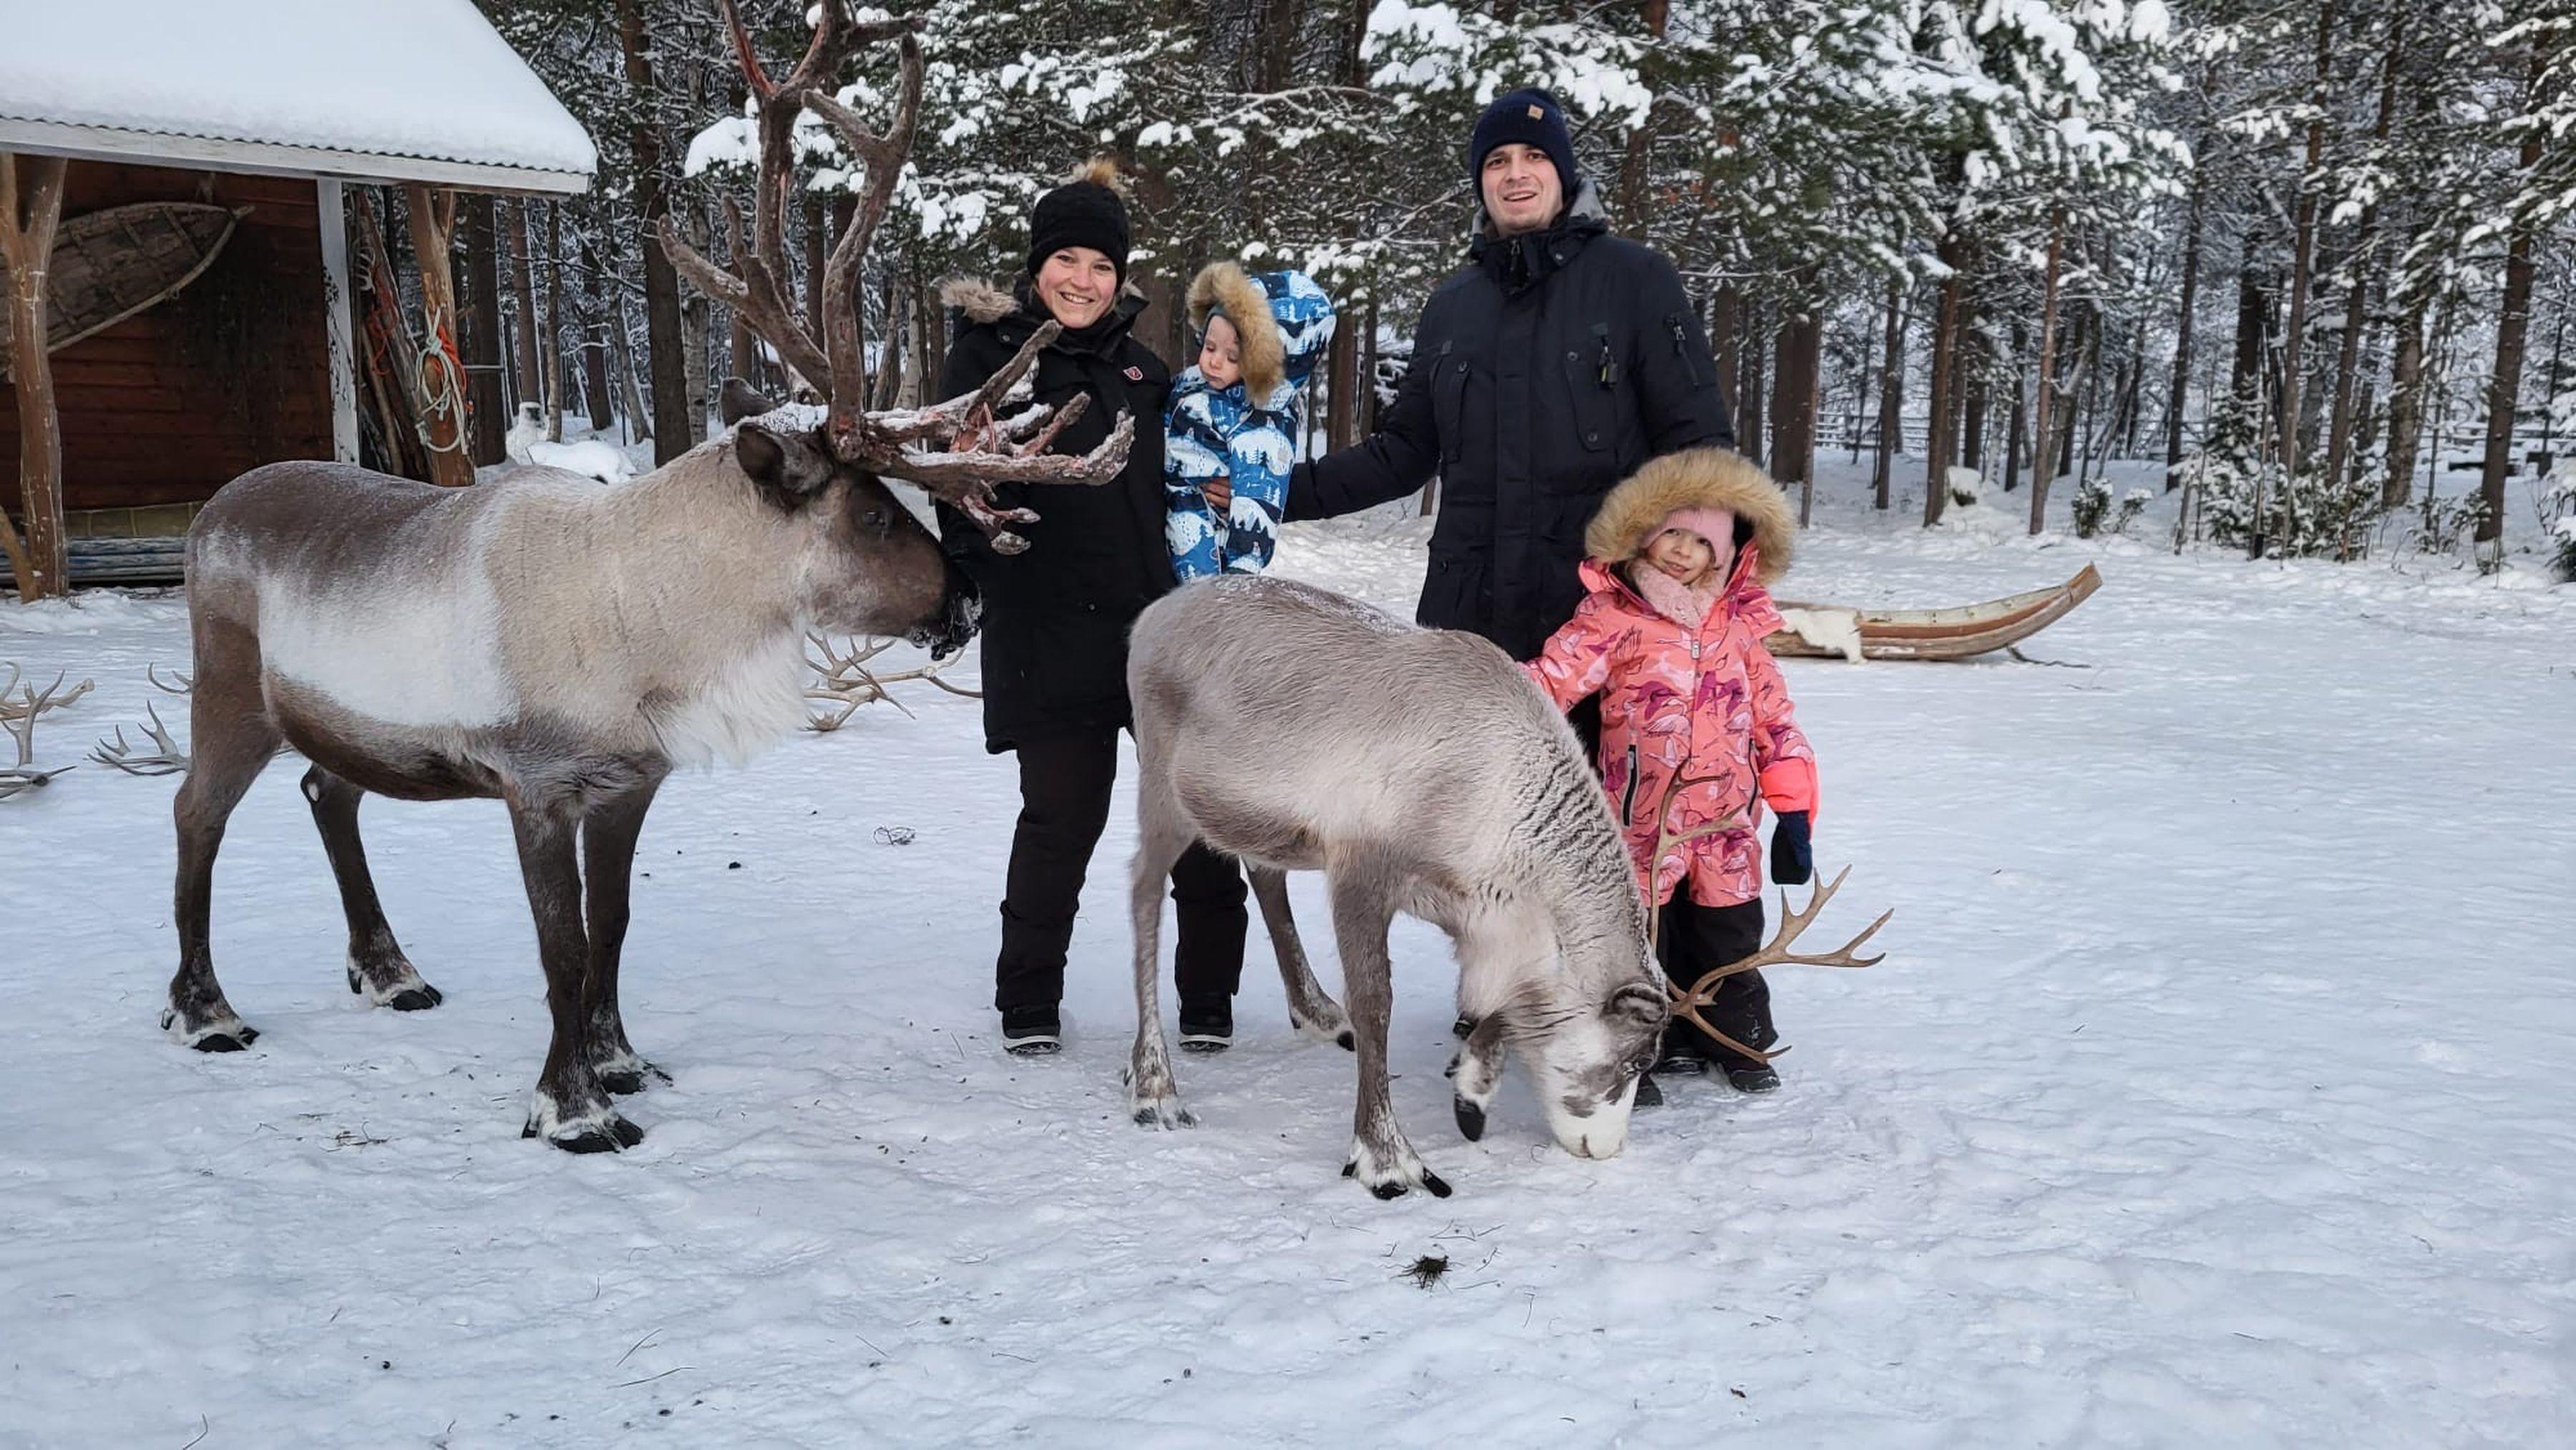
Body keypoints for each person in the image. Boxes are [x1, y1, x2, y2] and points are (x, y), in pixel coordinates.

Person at [935, 160, 1247, 1057]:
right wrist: (981, 579)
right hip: (1049, 637)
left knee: (1201, 819)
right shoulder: (990, 360)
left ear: (1122, 276)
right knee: (1061, 821)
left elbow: (1193, 477)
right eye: (1066, 259)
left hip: (1164, 643)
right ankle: (1028, 998)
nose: (1084, 280)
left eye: (1102, 266)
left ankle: (1208, 997)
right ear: (1036, 266)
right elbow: (958, 489)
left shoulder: (1149, 373)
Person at [1282, 87, 1734, 664]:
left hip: (1600, 631)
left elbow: (1701, 447)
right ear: (1480, 181)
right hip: (1469, 632)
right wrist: (1269, 492)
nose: (1516, 174)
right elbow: (1401, 453)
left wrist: (1689, 574)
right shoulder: (1451, 306)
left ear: (1563, 172)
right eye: (1497, 161)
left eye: (1534, 156)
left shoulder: (1635, 280)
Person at [1523, 448, 1818, 1094]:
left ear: (1725, 553)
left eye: (1700, 541)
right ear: (1646, 537)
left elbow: (1775, 719)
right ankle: (1635, 1049)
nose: (1683, 551)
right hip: (1639, 822)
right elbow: (1550, 682)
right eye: (1672, 535)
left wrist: (1794, 807)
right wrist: (1483, 693)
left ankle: (1735, 1041)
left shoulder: (1740, 627)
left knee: (1730, 935)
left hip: (1727, 823)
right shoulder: (1614, 617)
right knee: (1636, 941)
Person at [1164, 263, 1337, 579]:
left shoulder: (1261, 424)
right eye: (1209, 346)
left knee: (1199, 616)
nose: (1213, 361)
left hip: (1208, 551)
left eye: (1233, 357)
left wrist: (1243, 569)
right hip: (1166, 521)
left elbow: (1258, 504)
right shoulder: (1192, 382)